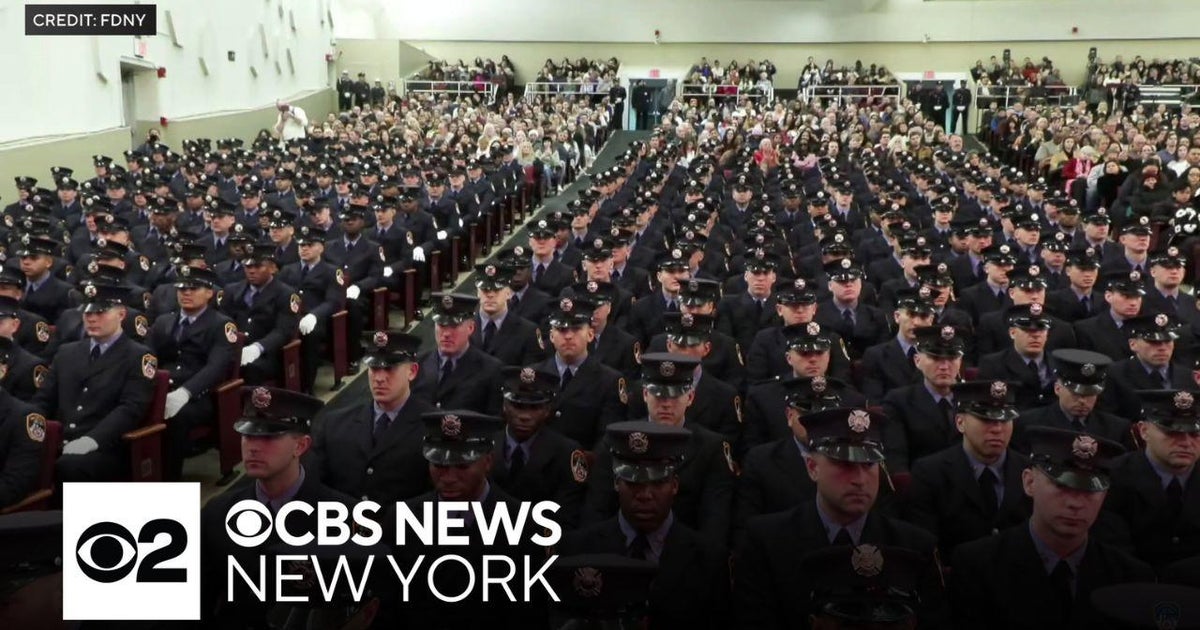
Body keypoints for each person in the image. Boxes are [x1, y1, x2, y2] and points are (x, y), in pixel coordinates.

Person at [734, 406, 947, 629]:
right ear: (812, 467)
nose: (860, 480)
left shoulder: (914, 547)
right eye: (845, 464)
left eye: (869, 464)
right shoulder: (767, 542)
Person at [949, 427, 1153, 629]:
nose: (1075, 503)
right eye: (1062, 486)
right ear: (1029, 482)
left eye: (1090, 490)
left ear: (1105, 494)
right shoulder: (978, 566)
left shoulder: (1130, 577)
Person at [199, 386, 354, 626]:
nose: (253, 447)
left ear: (300, 446)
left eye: (269, 437)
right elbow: (201, 603)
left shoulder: (343, 519)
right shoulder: (217, 513)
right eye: (248, 435)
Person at [381, 410, 547, 627]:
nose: (449, 478)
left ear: (488, 461)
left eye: (462, 466)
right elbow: (389, 604)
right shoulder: (402, 518)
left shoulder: (524, 524)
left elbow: (532, 613)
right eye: (439, 465)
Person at [558, 421, 730, 628]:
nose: (645, 495)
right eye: (633, 482)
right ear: (616, 482)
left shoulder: (709, 560)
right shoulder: (578, 550)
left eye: (657, 483)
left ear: (675, 485)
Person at [582, 353, 735, 544]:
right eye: (658, 395)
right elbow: (597, 508)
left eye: (675, 395)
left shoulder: (710, 448)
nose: (666, 404)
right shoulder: (616, 441)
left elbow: (714, 519)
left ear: (690, 397)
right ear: (645, 395)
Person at [33, 282, 155, 488]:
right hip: (60, 438)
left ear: (121, 315)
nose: (92, 318)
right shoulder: (67, 352)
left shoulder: (138, 356)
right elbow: (43, 400)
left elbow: (131, 409)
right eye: (88, 312)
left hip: (107, 444)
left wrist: (92, 439)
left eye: (101, 312)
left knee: (70, 466)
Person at [905, 380, 1033, 559]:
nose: (997, 429)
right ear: (960, 422)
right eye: (986, 419)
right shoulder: (930, 473)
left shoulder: (1030, 471)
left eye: (1005, 420)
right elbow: (925, 546)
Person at [305, 330, 435, 504]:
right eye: (374, 368)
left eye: (389, 368)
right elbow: (315, 486)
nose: (379, 378)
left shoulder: (432, 428)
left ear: (412, 371)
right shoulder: (334, 425)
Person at [146, 265, 236, 482]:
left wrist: (185, 392)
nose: (186, 293)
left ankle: (170, 480)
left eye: (193, 289)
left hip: (198, 395)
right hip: (161, 388)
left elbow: (215, 367)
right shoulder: (164, 321)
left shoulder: (221, 324)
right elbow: (148, 357)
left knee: (176, 419)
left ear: (209, 293)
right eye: (182, 289)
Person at [1103, 389, 1200, 570]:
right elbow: (1114, 551)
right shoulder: (1113, 477)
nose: (1186, 442)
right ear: (1144, 431)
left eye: (1195, 433)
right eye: (1172, 432)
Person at [490, 366, 588, 528]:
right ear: (504, 406)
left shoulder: (566, 453)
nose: (525, 416)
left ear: (547, 410)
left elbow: (566, 517)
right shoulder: (486, 445)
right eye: (517, 406)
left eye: (534, 407)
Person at [528, 296, 627, 449]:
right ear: (552, 336)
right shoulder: (534, 375)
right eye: (561, 330)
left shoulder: (609, 381)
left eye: (576, 329)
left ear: (590, 335)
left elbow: (607, 437)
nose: (568, 336)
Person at [218, 245, 301, 385]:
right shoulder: (231, 290)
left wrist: (258, 347)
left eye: (258, 266)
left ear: (272, 268)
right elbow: (222, 322)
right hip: (233, 348)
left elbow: (283, 331)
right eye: (248, 266)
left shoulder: (286, 294)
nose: (251, 271)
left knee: (252, 369)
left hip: (268, 352)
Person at [276, 226, 344, 394]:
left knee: (310, 336)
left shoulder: (332, 271)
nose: (304, 248)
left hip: (315, 319)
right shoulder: (288, 269)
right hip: (290, 316)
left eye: (309, 245)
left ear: (321, 248)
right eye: (301, 245)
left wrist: (314, 315)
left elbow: (333, 301)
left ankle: (307, 385)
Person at [411, 293, 504, 414]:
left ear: (470, 328)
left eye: (454, 326)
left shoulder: (490, 369)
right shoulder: (417, 364)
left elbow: (493, 420)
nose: (446, 334)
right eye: (441, 325)